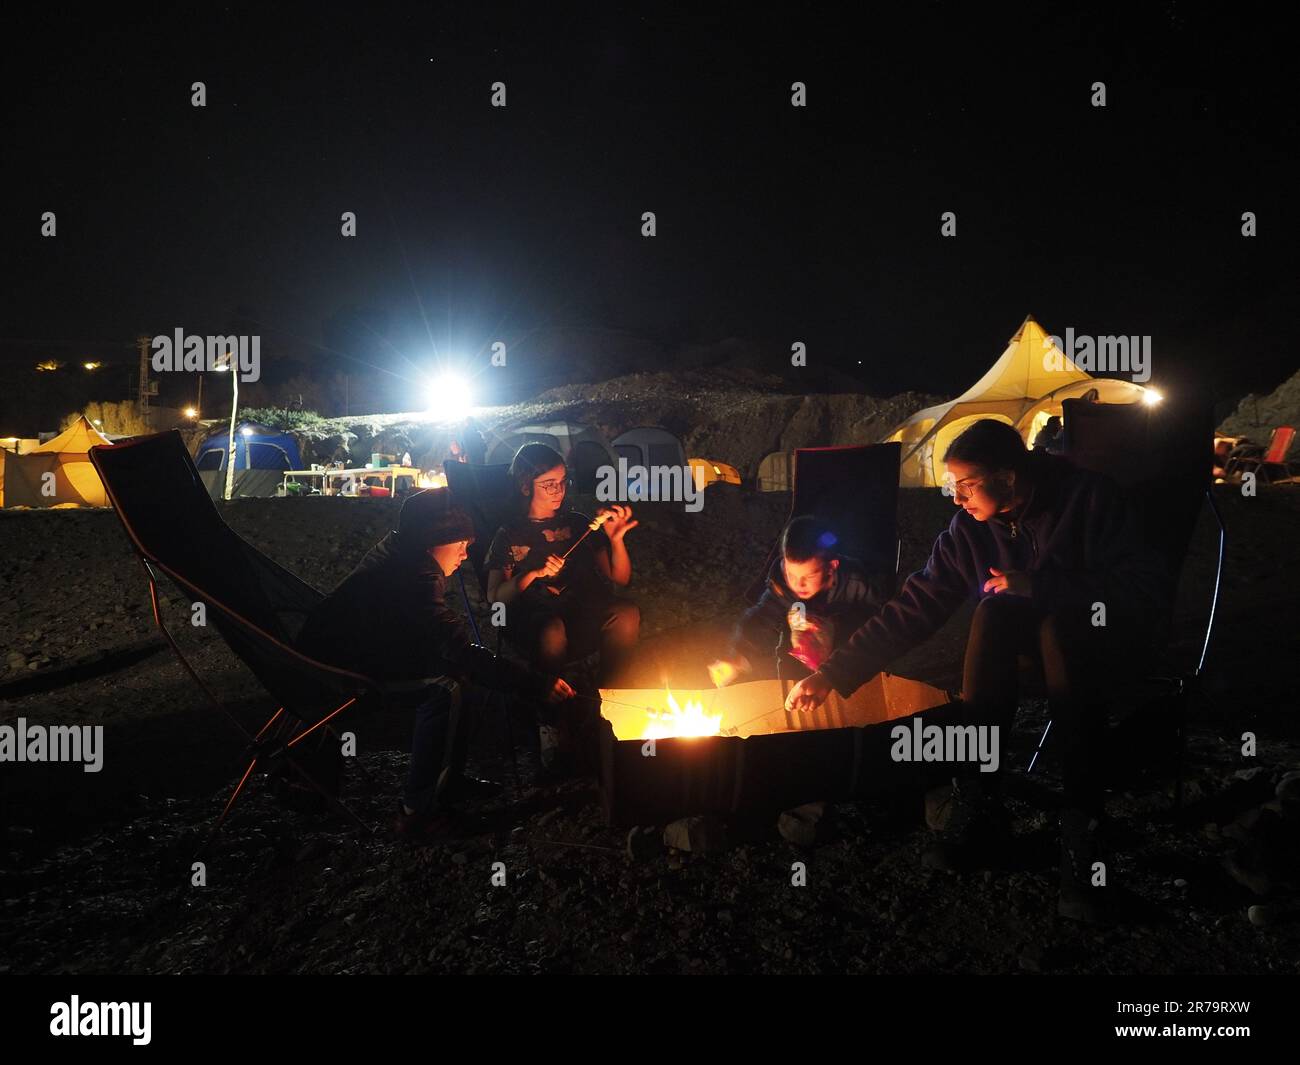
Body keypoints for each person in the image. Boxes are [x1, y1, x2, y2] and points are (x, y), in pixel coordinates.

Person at [784, 419, 1169, 923]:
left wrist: (1042, 588)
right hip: (1027, 649)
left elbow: (1144, 590)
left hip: (1104, 642)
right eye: (952, 485)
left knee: (1053, 622)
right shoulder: (970, 531)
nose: (956, 498)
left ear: (1007, 478)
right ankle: (981, 801)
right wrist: (833, 672)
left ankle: (1083, 830)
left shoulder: (1088, 499)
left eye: (966, 485)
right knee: (993, 610)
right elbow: (914, 607)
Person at [296, 487, 575, 838]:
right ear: (432, 541)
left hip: (357, 654)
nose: (465, 551)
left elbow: (431, 637)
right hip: (339, 674)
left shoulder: (403, 554)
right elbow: (455, 647)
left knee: (457, 672)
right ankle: (415, 813)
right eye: (459, 542)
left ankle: (450, 783)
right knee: (446, 690)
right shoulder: (413, 575)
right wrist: (534, 685)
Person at [486, 443, 640, 766]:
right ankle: (550, 721)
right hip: (534, 624)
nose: (559, 491)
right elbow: (495, 596)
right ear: (526, 486)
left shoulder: (580, 523)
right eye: (549, 484)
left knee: (626, 613)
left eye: (563, 481)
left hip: (580, 616)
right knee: (553, 629)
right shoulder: (510, 534)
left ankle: (609, 699)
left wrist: (615, 540)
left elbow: (619, 578)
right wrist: (534, 572)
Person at [708, 515, 891, 687]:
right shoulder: (783, 585)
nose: (798, 584)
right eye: (790, 574)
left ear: (831, 567)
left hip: (846, 656)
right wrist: (738, 655)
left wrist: (834, 628)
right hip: (795, 657)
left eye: (809, 576)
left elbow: (878, 624)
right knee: (790, 686)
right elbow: (762, 616)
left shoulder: (856, 583)